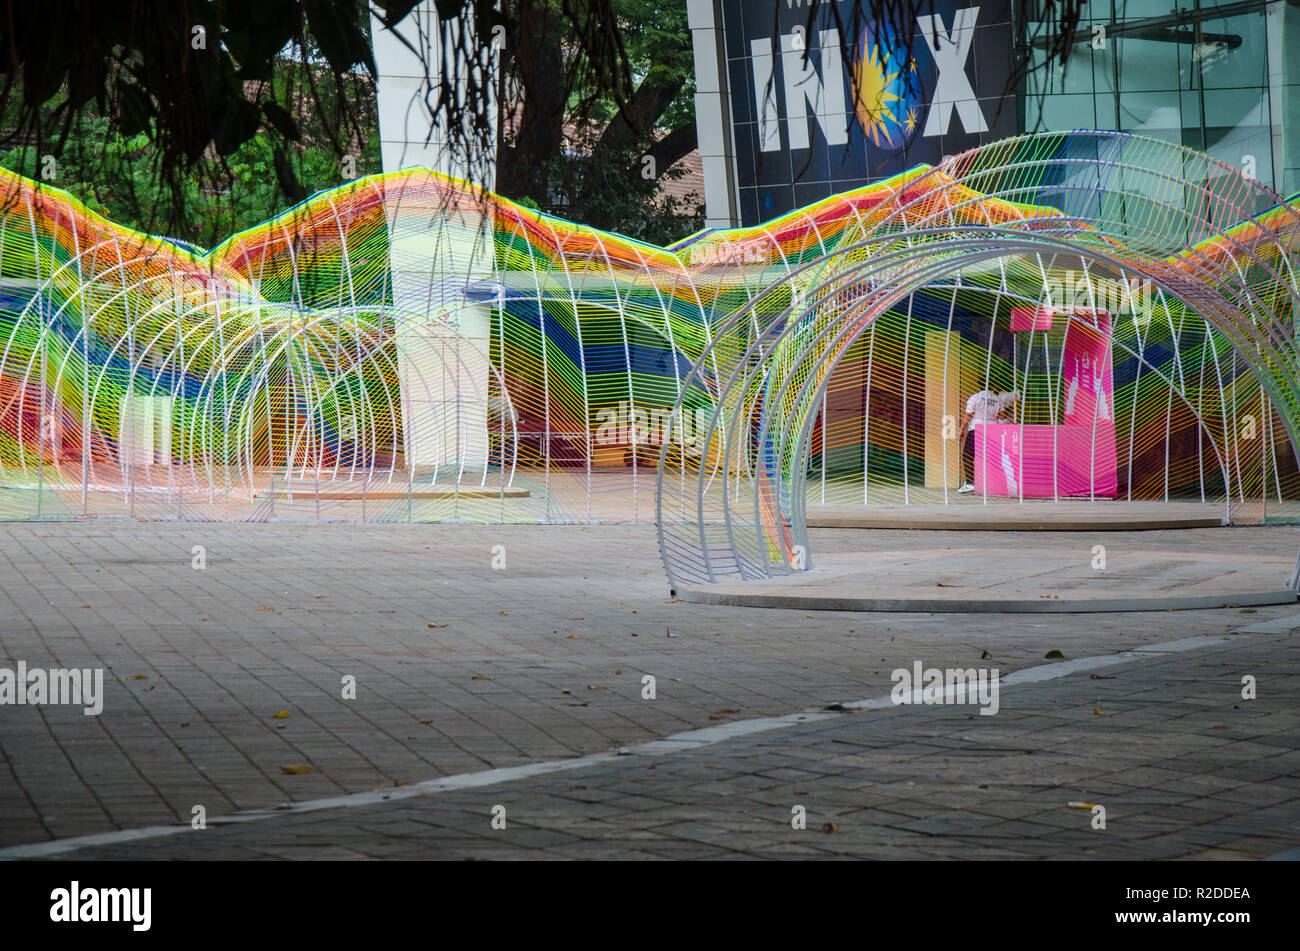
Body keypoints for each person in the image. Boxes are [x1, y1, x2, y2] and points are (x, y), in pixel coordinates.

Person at [957, 389, 1018, 493]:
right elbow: (1002, 416)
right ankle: (995, 483)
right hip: (992, 431)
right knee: (991, 458)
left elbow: (969, 415)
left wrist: (961, 429)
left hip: (976, 429)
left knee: (967, 455)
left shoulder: (974, 397)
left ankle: (970, 482)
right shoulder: (997, 399)